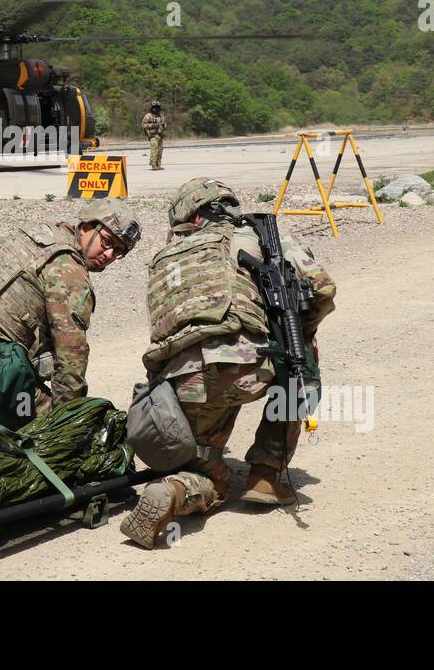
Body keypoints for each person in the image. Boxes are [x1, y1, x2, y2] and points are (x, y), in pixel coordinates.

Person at [120, 178, 336, 549]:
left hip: (180, 381)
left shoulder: (165, 259)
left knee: (206, 470)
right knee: (303, 365)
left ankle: (174, 490)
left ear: (190, 218)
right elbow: (323, 288)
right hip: (247, 367)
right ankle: (266, 476)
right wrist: (296, 330)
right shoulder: (265, 240)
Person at [0, 200, 141, 426]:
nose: (109, 254)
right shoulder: (69, 271)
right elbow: (71, 355)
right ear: (86, 226)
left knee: (8, 417)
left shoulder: (41, 236)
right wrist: (67, 423)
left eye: (119, 251)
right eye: (106, 242)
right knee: (39, 430)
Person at [142, 102, 167, 170]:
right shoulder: (148, 116)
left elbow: (164, 124)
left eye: (157, 107)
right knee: (154, 149)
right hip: (152, 135)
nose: (156, 109)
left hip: (159, 135)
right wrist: (152, 125)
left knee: (160, 150)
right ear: (152, 108)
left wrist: (163, 127)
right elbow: (144, 125)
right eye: (154, 107)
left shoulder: (161, 116)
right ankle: (153, 165)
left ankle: (158, 164)